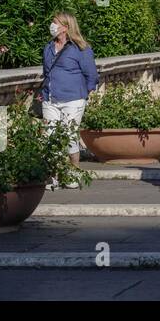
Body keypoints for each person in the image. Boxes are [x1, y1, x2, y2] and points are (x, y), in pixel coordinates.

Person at [40, 13, 98, 189]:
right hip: (50, 98)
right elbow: (46, 72)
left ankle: (73, 172)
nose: (52, 25)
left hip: (73, 99)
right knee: (50, 139)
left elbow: (92, 75)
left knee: (69, 136)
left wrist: (83, 94)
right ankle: (54, 176)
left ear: (65, 27)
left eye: (55, 23)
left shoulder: (81, 49)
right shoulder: (48, 48)